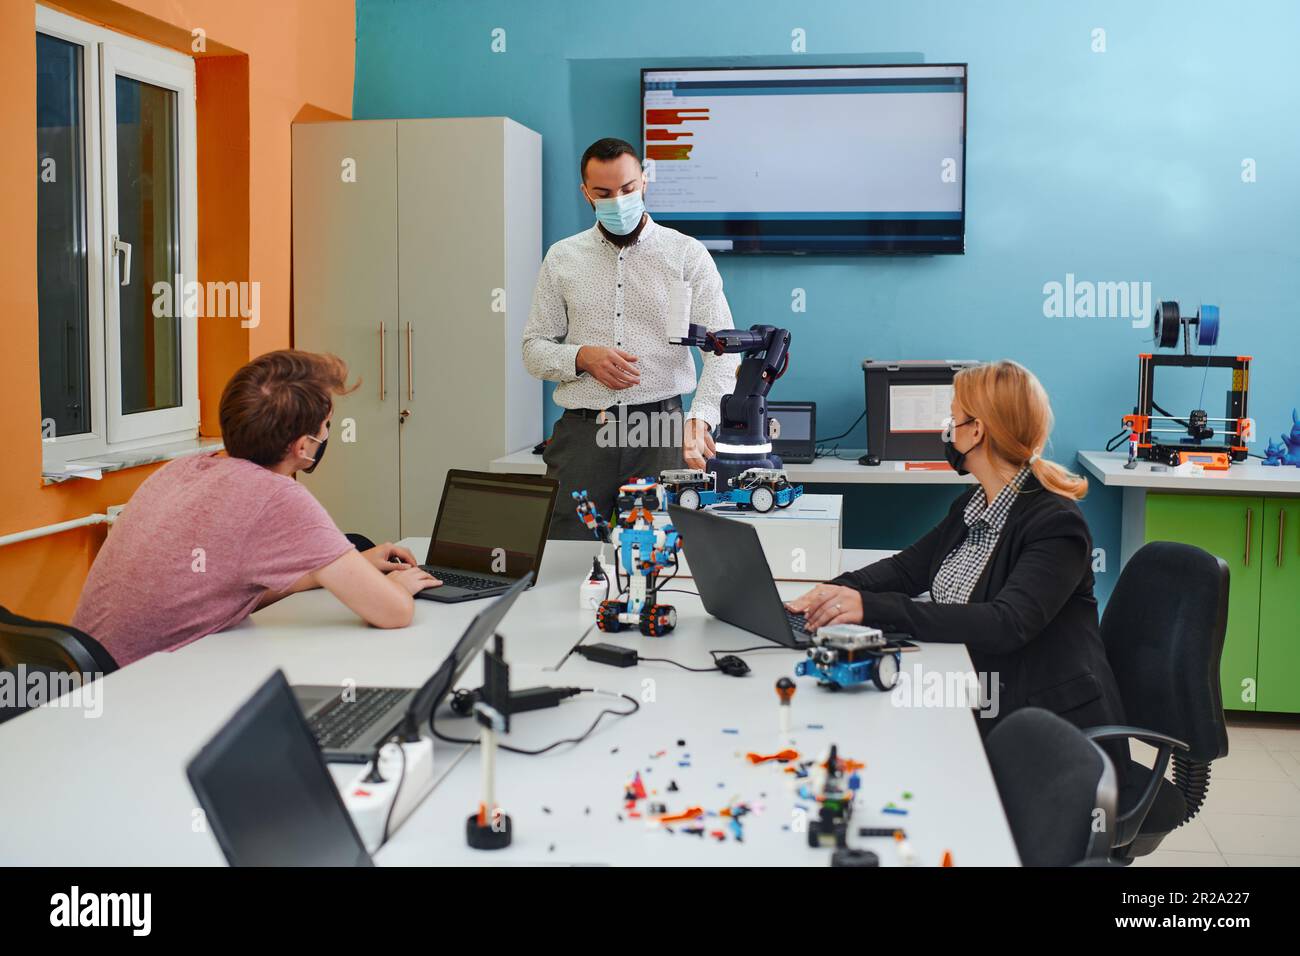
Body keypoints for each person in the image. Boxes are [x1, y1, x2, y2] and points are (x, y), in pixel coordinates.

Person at [786, 360, 1126, 744]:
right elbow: (906, 570)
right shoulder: (973, 503)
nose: (945, 432)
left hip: (1050, 734)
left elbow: (1005, 624)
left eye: (952, 420)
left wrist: (872, 608)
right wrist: (831, 593)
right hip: (983, 691)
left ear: (977, 430)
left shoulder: (1057, 525)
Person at [72, 350, 441, 666]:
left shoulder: (182, 468)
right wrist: (398, 586)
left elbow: (225, 589)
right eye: (327, 426)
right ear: (303, 447)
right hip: (143, 689)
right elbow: (393, 612)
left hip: (91, 674)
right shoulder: (278, 497)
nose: (329, 434)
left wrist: (343, 570)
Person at [522, 137, 740, 539]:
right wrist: (581, 357)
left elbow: (723, 350)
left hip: (660, 431)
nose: (617, 200)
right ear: (585, 193)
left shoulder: (686, 255)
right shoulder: (562, 258)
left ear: (644, 182)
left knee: (656, 553)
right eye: (603, 193)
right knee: (567, 553)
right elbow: (534, 350)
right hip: (584, 435)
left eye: (626, 189)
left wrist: (701, 418)